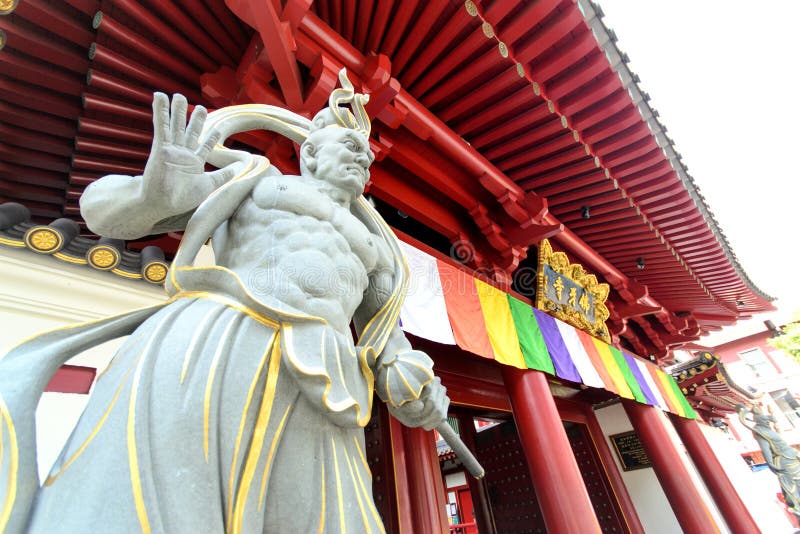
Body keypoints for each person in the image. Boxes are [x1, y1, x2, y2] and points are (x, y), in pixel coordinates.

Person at [0, 71, 449, 533]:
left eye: (369, 157)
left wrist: (418, 392)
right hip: (224, 334)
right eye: (351, 148)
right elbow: (100, 210)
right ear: (311, 151)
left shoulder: (379, 250)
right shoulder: (258, 181)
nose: (364, 159)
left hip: (328, 376)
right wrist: (155, 191)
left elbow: (385, 341)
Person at [738, 404, 800, 519]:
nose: (767, 421)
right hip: (785, 460)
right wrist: (770, 463)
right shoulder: (760, 432)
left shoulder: (769, 430)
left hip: (792, 455)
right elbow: (765, 449)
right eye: (764, 419)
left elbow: (778, 430)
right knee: (795, 485)